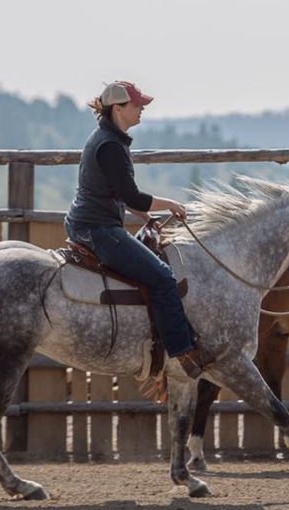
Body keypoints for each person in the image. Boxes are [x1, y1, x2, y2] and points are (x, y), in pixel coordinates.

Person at [64, 81, 213, 378]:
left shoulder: (107, 139)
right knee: (162, 277)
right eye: (137, 105)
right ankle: (182, 351)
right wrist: (168, 204)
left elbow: (118, 193)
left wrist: (145, 217)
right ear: (118, 109)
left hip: (88, 224)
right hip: (98, 229)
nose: (142, 109)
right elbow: (130, 195)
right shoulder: (111, 146)